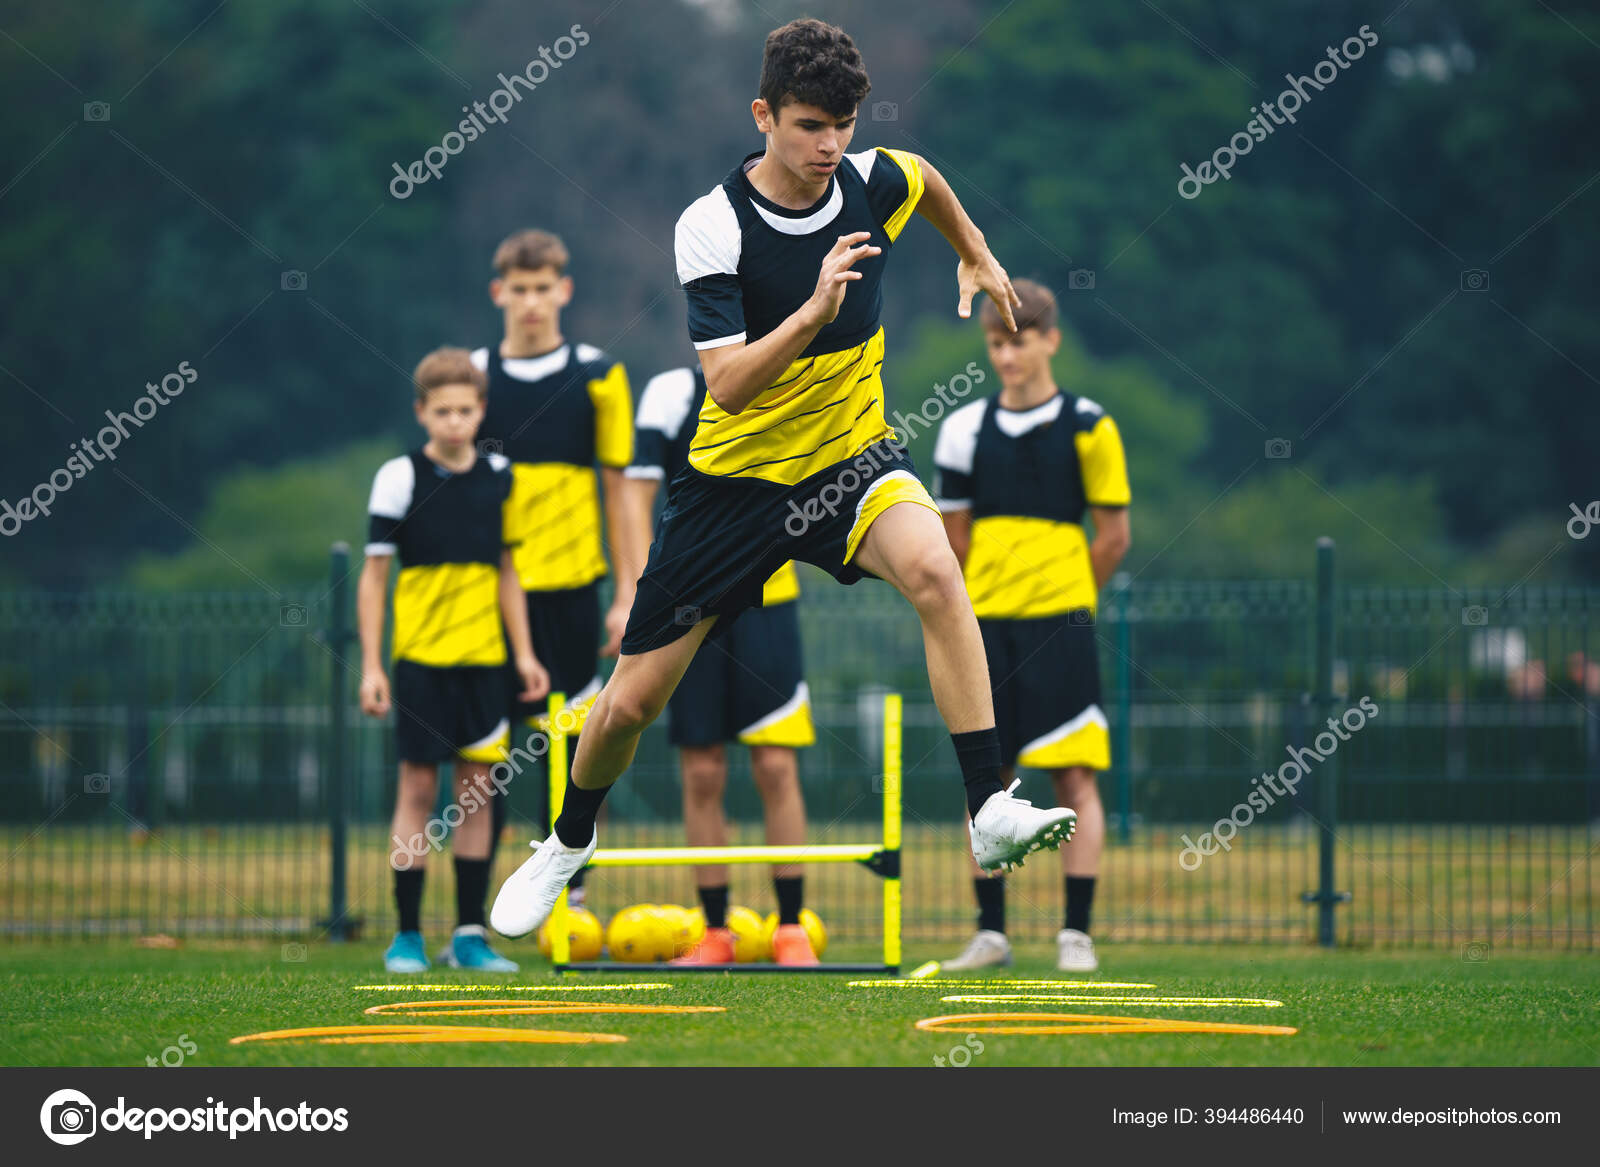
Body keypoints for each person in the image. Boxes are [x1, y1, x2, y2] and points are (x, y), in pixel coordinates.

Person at [491, 17, 1075, 941]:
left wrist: (973, 247)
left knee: (937, 571)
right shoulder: (712, 225)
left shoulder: (871, 181)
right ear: (763, 115)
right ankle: (568, 838)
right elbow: (726, 383)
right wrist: (812, 309)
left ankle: (987, 805)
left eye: (842, 124)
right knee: (630, 703)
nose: (829, 144)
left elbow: (922, 176)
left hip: (851, 461)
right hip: (732, 489)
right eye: (809, 125)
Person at [932, 280, 1132, 972]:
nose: (1006, 357)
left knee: (1075, 776)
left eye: (1017, 343)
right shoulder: (962, 429)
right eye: (995, 344)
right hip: (985, 626)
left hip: (1062, 626)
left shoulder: (1091, 426)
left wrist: (1069, 595)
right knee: (986, 780)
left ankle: (1076, 933)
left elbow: (1113, 537)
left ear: (1051, 340)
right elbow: (953, 540)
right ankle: (991, 933)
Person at [359, 346, 548, 973]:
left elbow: (508, 571)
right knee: (416, 788)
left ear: (481, 410)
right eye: (442, 411)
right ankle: (407, 935)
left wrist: (524, 654)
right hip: (420, 663)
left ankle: (470, 935)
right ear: (421, 412)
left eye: (465, 410)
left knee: (479, 791)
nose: (455, 421)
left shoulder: (501, 477)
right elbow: (373, 580)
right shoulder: (399, 478)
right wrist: (372, 666)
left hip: (485, 664)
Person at [625, 364, 820, 965]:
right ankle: (715, 933)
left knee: (776, 766)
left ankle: (791, 929)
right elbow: (634, 497)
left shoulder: (798, 377)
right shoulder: (668, 392)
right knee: (702, 772)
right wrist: (635, 589)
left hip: (770, 603)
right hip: (689, 602)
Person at [472, 230, 641, 911]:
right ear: (499, 293)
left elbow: (620, 491)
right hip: (492, 591)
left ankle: (569, 899)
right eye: (520, 290)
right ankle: (473, 916)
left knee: (575, 740)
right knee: (486, 752)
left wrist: (627, 592)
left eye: (544, 288)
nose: (532, 303)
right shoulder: (474, 378)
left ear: (564, 291)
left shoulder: (599, 375)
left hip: (575, 585)